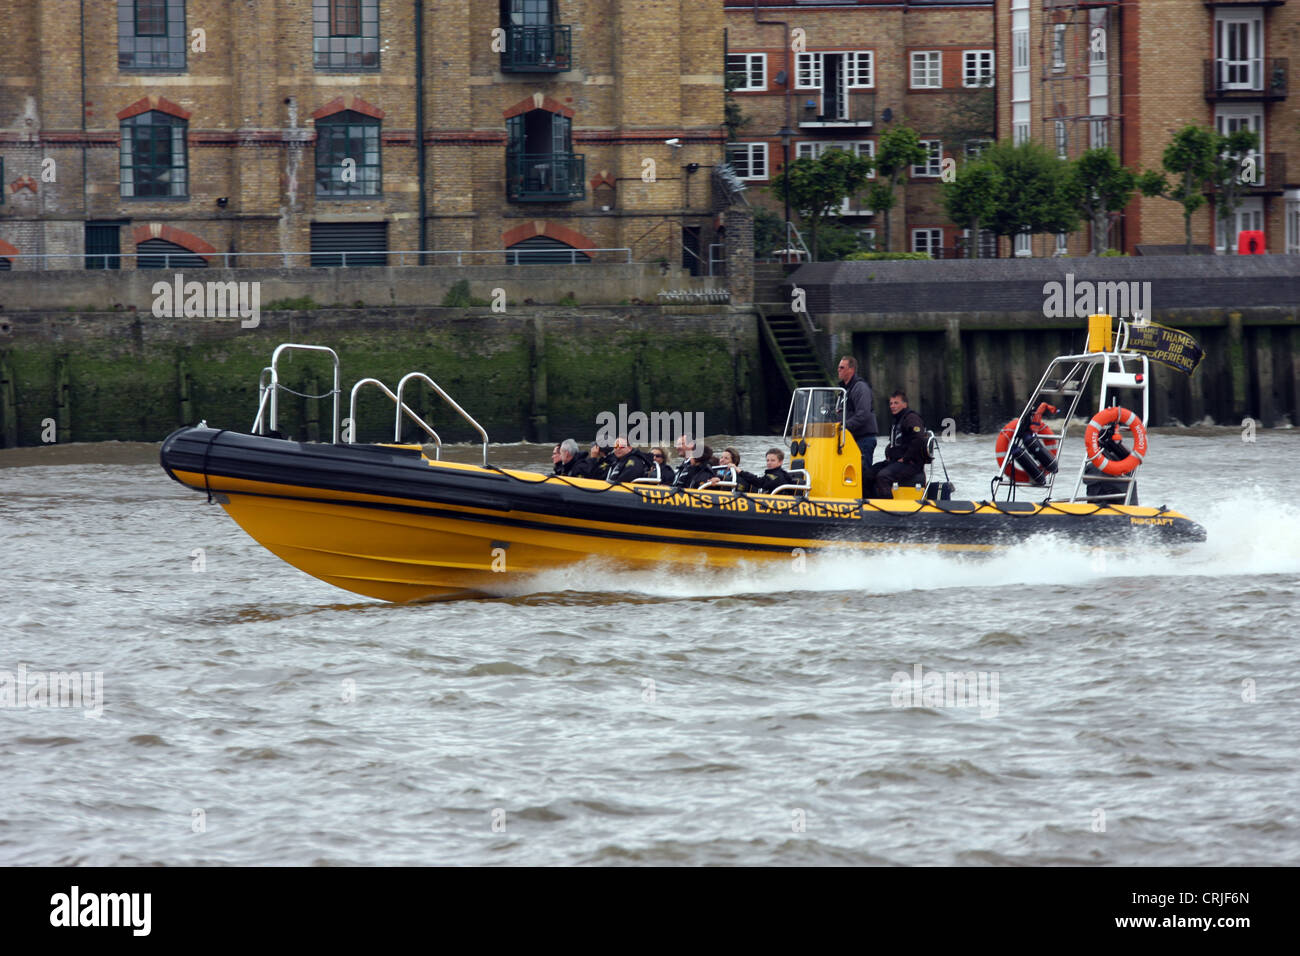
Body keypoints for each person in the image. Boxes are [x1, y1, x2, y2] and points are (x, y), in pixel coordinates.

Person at [865, 390, 930, 499]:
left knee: (883, 477)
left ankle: (888, 508)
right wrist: (889, 453)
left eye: (896, 403)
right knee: (867, 474)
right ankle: (870, 504)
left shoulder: (911, 418)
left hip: (910, 464)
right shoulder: (897, 420)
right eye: (891, 403)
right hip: (895, 462)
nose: (892, 406)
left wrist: (905, 458)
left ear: (905, 404)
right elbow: (895, 443)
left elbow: (919, 439)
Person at [837, 356, 878, 475]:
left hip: (863, 439)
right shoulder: (843, 390)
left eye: (842, 367)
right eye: (839, 367)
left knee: (861, 474)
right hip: (849, 439)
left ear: (851, 369)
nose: (838, 370)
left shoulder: (860, 388)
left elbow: (863, 414)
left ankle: (864, 493)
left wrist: (843, 426)